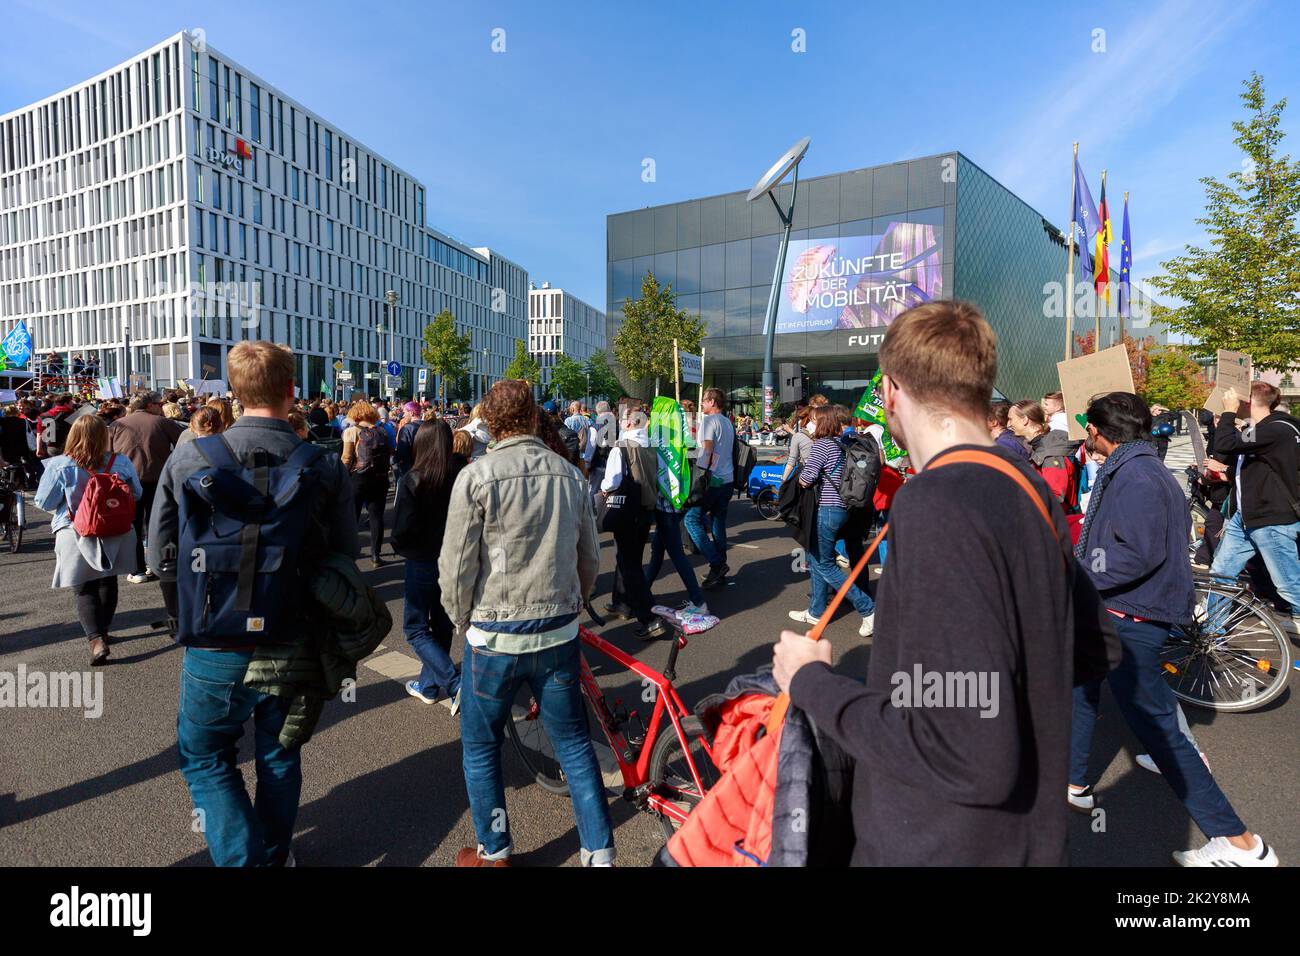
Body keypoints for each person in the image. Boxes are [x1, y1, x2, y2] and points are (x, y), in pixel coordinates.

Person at [772, 300, 1117, 866]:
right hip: (1028, 838)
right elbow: (1094, 646)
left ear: (891, 391)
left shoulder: (935, 503)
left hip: (939, 842)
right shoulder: (1027, 487)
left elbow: (964, 752)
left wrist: (813, 683)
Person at [148, 340, 357, 867]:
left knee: (206, 756)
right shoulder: (322, 464)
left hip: (215, 637)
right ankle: (273, 851)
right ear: (291, 390)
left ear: (233, 392)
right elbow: (345, 555)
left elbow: (159, 555)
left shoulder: (191, 454)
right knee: (279, 756)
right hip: (292, 635)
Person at [1070, 391, 1278, 866]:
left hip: (1132, 617)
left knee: (1161, 731)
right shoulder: (1137, 467)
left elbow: (1135, 553)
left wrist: (1075, 571)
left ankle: (1240, 842)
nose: (1087, 436)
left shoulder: (1138, 475)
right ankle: (1075, 781)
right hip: (1125, 612)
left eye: (1089, 429)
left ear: (1099, 433)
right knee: (1082, 685)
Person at [439, 379, 612, 867]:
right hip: (557, 630)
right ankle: (599, 852)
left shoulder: (476, 476)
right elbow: (589, 557)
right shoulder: (570, 475)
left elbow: (456, 565)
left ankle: (496, 850)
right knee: (575, 743)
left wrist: (461, 620)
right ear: (534, 417)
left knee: (481, 747)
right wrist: (575, 601)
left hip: (494, 634)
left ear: (490, 422)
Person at [34, 414, 143, 666]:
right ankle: (103, 631)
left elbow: (44, 502)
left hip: (75, 531)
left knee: (83, 587)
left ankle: (95, 640)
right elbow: (135, 493)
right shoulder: (121, 462)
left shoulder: (60, 464)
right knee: (108, 581)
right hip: (115, 530)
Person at [1208, 382, 1300, 634]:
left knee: (1290, 586)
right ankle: (1212, 632)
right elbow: (1262, 469)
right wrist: (1227, 472)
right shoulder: (1269, 430)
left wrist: (1228, 412)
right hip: (1247, 515)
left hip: (1271, 518)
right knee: (1222, 572)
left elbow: (1225, 444)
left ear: (1247, 402)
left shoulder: (1275, 430)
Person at [392, 419, 468, 709]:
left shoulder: (413, 479)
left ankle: (453, 681)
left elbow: (400, 531)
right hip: (453, 558)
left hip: (422, 559)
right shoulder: (460, 472)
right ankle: (428, 685)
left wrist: (405, 549)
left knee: (415, 628)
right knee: (442, 625)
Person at [787, 405, 877, 637]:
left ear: (823, 423)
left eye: (815, 420)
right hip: (842, 508)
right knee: (818, 558)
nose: (812, 424)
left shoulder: (822, 445)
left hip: (827, 509)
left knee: (825, 563)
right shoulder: (839, 444)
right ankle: (816, 611)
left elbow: (806, 479)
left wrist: (801, 478)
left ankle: (868, 609)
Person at [601, 403, 672, 639]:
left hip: (627, 509)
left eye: (623, 419)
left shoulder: (620, 448)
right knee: (631, 559)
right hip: (646, 509)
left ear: (629, 422)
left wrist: (602, 491)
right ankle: (624, 603)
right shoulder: (651, 446)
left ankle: (649, 616)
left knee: (629, 565)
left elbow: (610, 482)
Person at [109, 391, 185, 585]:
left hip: (125, 482)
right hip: (158, 480)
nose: (161, 407)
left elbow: (108, 452)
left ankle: (137, 569)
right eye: (159, 404)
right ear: (150, 405)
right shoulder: (162, 422)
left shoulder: (117, 425)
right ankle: (155, 564)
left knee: (132, 526)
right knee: (157, 524)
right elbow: (183, 445)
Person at [684, 387, 735, 589]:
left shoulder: (708, 421)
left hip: (713, 479)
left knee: (691, 519)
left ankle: (716, 562)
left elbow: (707, 451)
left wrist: (697, 470)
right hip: (728, 478)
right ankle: (718, 570)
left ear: (713, 402)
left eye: (704, 400)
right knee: (718, 523)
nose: (702, 404)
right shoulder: (727, 422)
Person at [341, 398, 391, 567]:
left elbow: (347, 458)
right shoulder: (382, 431)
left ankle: (350, 554)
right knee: (376, 517)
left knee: (352, 516)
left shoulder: (351, 431)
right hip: (380, 477)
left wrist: (342, 475)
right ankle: (376, 556)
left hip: (358, 478)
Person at [1010, 400, 1079, 511]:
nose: (1009, 424)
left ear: (1025, 420)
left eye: (1011, 419)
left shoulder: (1050, 452)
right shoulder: (1040, 448)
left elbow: (1056, 496)